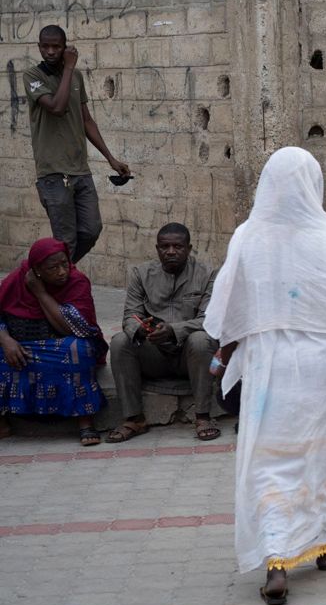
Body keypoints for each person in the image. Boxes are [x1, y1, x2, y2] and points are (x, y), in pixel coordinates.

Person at [204, 147, 326, 605]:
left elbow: (232, 309)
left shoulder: (247, 237)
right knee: (323, 458)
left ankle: (276, 556)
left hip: (271, 369)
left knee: (271, 462)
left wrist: (221, 359)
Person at [22, 25, 130, 262]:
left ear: (65, 47)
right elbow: (57, 107)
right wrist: (69, 67)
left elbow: (86, 120)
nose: (50, 51)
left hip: (80, 170)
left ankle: (50, 274)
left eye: (56, 46)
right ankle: (57, 286)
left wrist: (111, 158)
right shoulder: (33, 76)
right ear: (39, 47)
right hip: (52, 173)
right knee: (66, 240)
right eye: (45, 46)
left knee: (91, 230)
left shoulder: (76, 76)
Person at [106, 223, 220, 443]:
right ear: (157, 248)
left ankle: (203, 416)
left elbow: (210, 320)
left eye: (177, 246)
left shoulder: (208, 274)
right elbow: (130, 315)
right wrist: (140, 329)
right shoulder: (141, 274)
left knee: (201, 339)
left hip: (190, 356)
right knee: (121, 341)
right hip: (154, 352)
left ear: (189, 248)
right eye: (164, 246)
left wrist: (173, 330)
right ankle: (133, 418)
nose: (170, 252)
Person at [0, 238, 107, 445]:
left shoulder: (77, 282)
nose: (61, 272)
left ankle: (84, 421)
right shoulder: (16, 280)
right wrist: (6, 340)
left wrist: (40, 292)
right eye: (53, 268)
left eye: (65, 264)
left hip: (58, 344)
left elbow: (72, 328)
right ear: (37, 269)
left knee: (78, 350)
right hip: (20, 344)